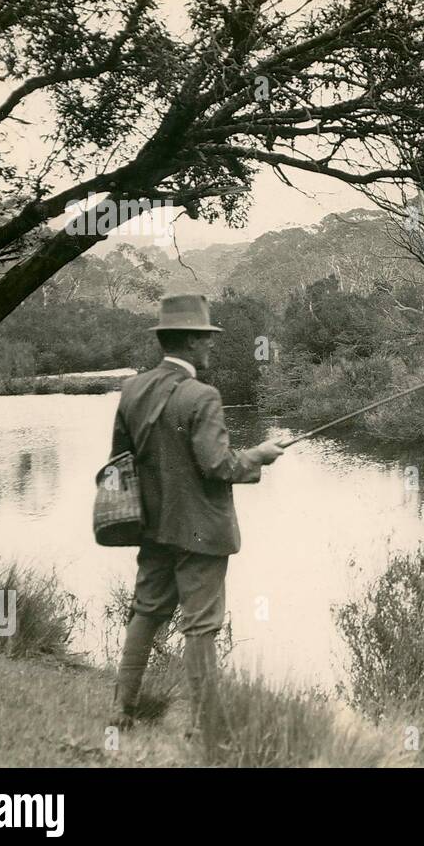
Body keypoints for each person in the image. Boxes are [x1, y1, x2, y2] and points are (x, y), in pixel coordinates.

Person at [107, 293, 284, 748]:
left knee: (146, 612)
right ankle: (205, 731)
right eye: (205, 339)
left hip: (153, 527)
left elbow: (119, 463)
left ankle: (120, 711)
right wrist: (259, 456)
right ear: (188, 341)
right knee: (201, 627)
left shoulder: (133, 390)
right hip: (202, 531)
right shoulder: (203, 396)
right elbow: (217, 466)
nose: (210, 347)